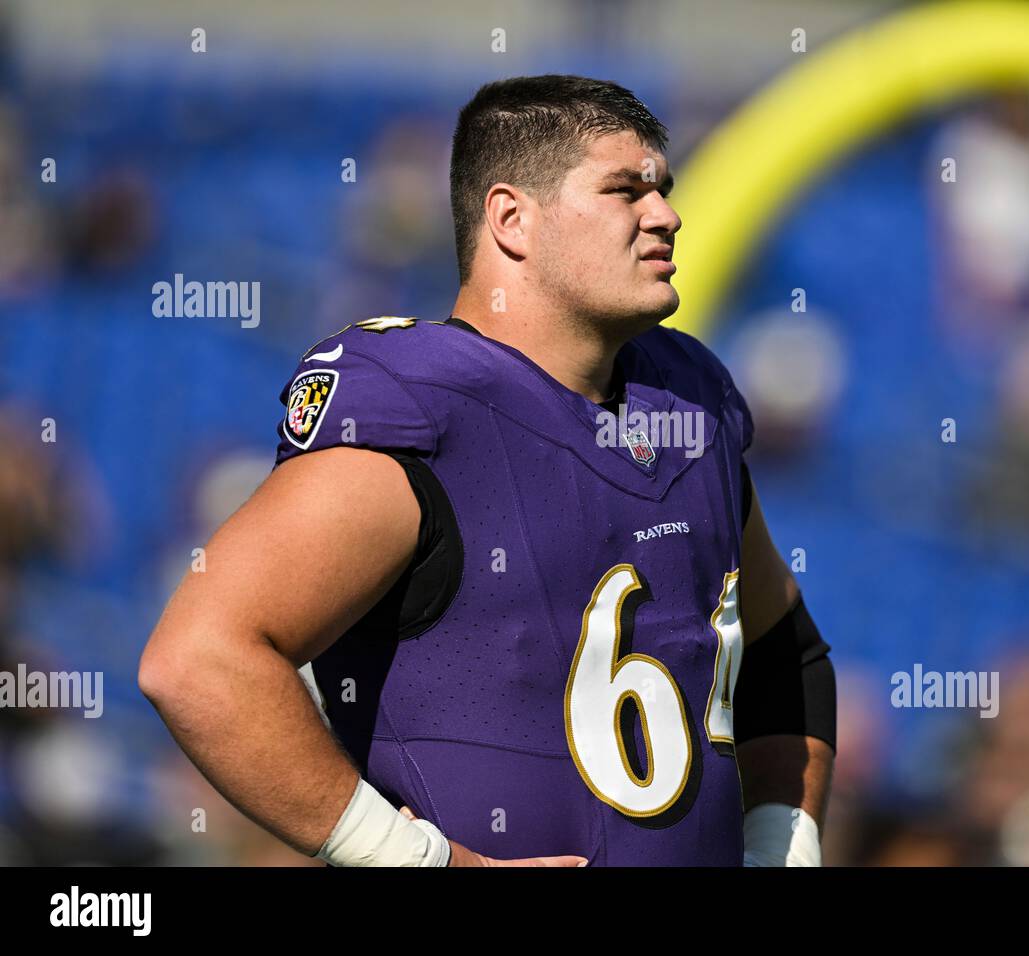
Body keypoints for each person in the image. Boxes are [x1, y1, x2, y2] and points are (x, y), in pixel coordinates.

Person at [139, 74, 836, 867]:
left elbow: (786, 649)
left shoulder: (689, 399)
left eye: (664, 190)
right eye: (624, 190)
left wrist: (784, 841)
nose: (667, 215)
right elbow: (198, 658)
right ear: (512, 219)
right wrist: (414, 860)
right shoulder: (422, 408)